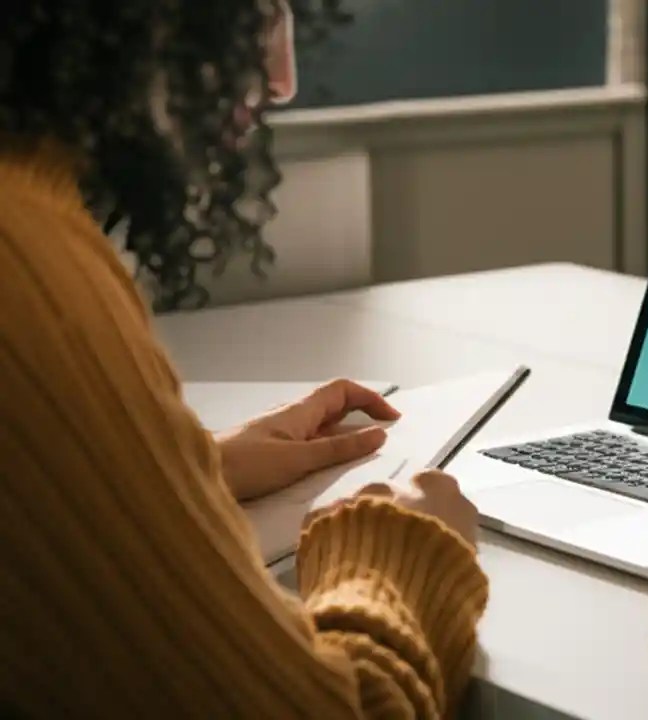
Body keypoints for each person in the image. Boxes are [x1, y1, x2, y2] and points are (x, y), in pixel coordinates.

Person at [0, 2, 487, 717]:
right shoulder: (26, 264)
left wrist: (178, 466)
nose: (282, 77)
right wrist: (403, 551)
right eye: (251, 12)